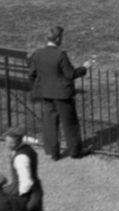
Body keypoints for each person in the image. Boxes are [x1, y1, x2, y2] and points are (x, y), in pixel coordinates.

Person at [26, 26, 88, 160]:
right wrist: (84, 68)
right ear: (58, 38)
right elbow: (70, 74)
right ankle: (75, 151)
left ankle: (54, 152)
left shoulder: (38, 53)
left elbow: (32, 74)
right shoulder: (60, 55)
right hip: (62, 95)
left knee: (50, 123)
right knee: (70, 124)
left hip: (47, 94)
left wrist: (37, 89)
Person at [5, 126, 64, 211]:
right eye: (6, 141)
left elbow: (25, 182)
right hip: (33, 189)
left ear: (17, 142)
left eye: (10, 142)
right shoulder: (24, 147)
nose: (7, 145)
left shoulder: (21, 158)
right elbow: (28, 139)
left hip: (28, 192)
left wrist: (19, 197)